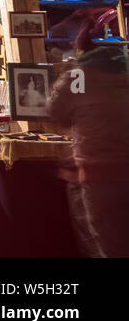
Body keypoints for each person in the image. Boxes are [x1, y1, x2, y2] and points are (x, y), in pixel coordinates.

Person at [48, 26, 129, 256]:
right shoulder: (125, 73)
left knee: (105, 243)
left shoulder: (79, 75)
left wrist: (65, 70)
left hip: (97, 174)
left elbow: (57, 111)